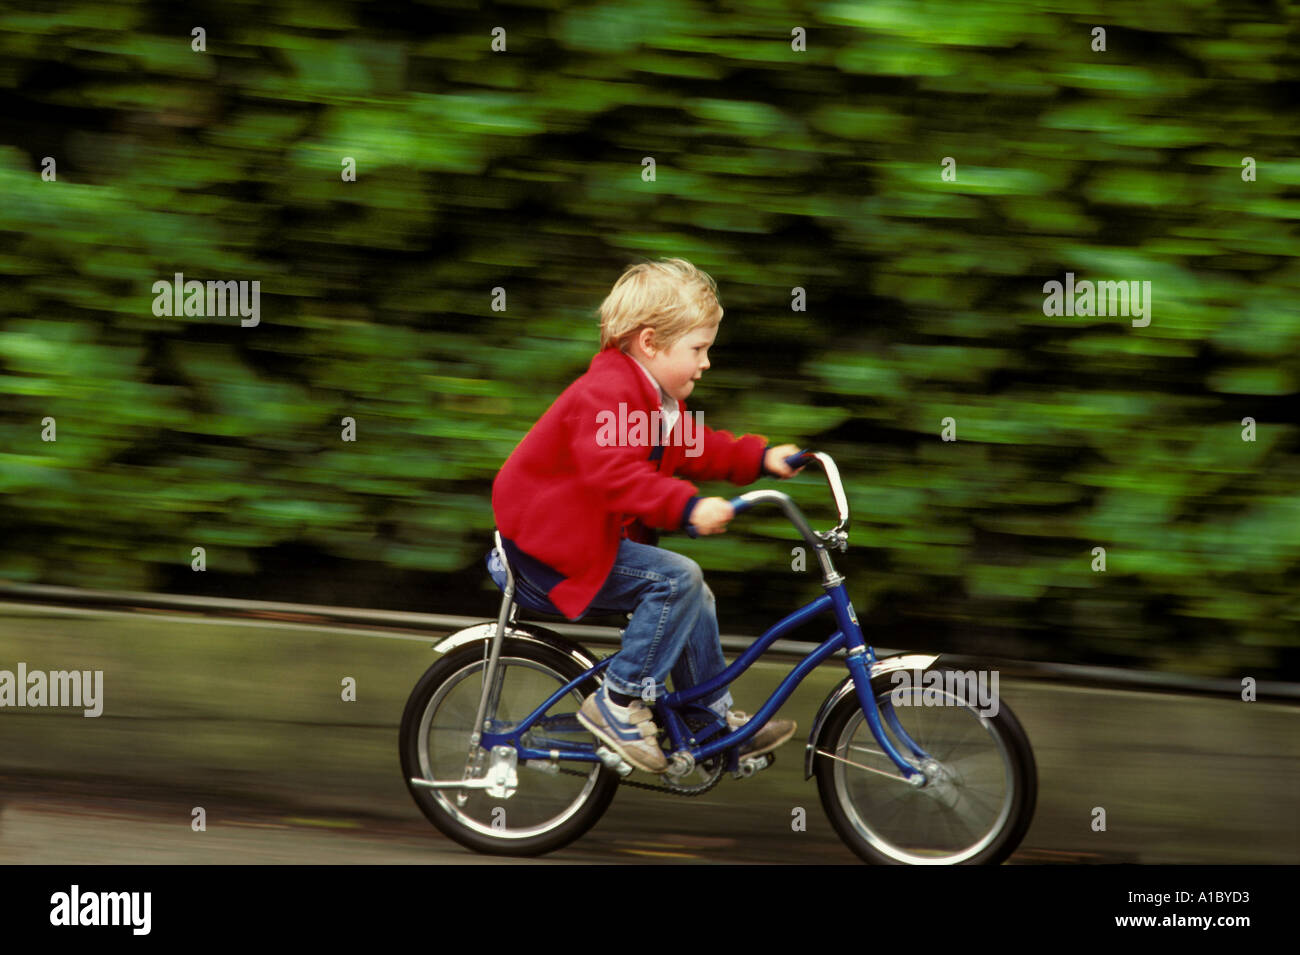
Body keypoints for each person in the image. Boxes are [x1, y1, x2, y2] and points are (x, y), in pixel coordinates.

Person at [491, 258, 803, 773]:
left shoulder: (654, 402)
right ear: (651, 343)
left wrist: (759, 457)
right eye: (698, 349)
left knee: (692, 593)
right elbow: (614, 475)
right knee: (678, 579)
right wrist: (686, 506)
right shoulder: (606, 395)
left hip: (583, 545)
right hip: (545, 556)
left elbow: (695, 448)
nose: (705, 363)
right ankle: (616, 705)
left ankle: (709, 723)